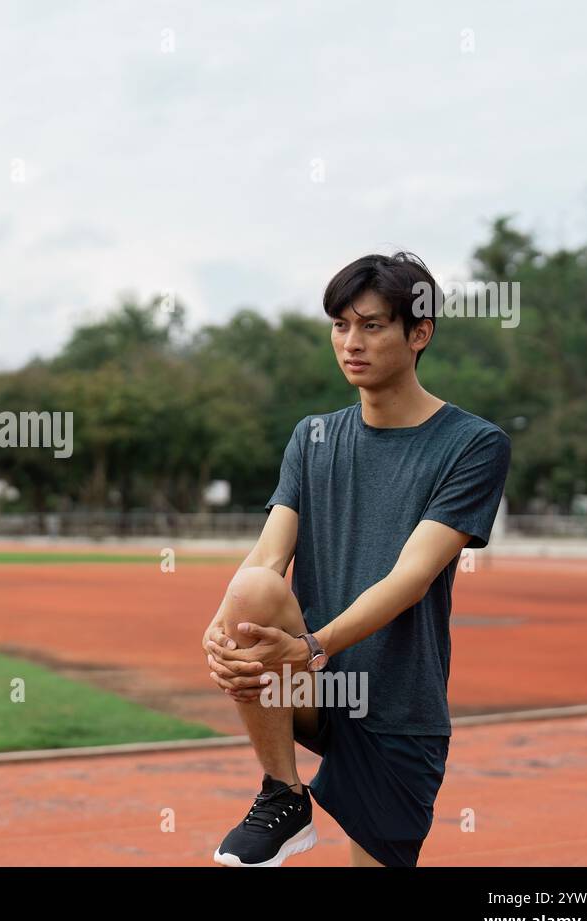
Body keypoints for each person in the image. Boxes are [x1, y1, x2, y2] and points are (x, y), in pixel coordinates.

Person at [204, 251, 511, 867]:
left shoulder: (473, 445)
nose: (351, 343)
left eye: (371, 325)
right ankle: (283, 796)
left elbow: (412, 576)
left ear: (418, 332)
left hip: (397, 701)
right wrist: (220, 625)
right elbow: (268, 553)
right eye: (340, 326)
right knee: (251, 592)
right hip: (317, 686)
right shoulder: (312, 437)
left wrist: (315, 644)